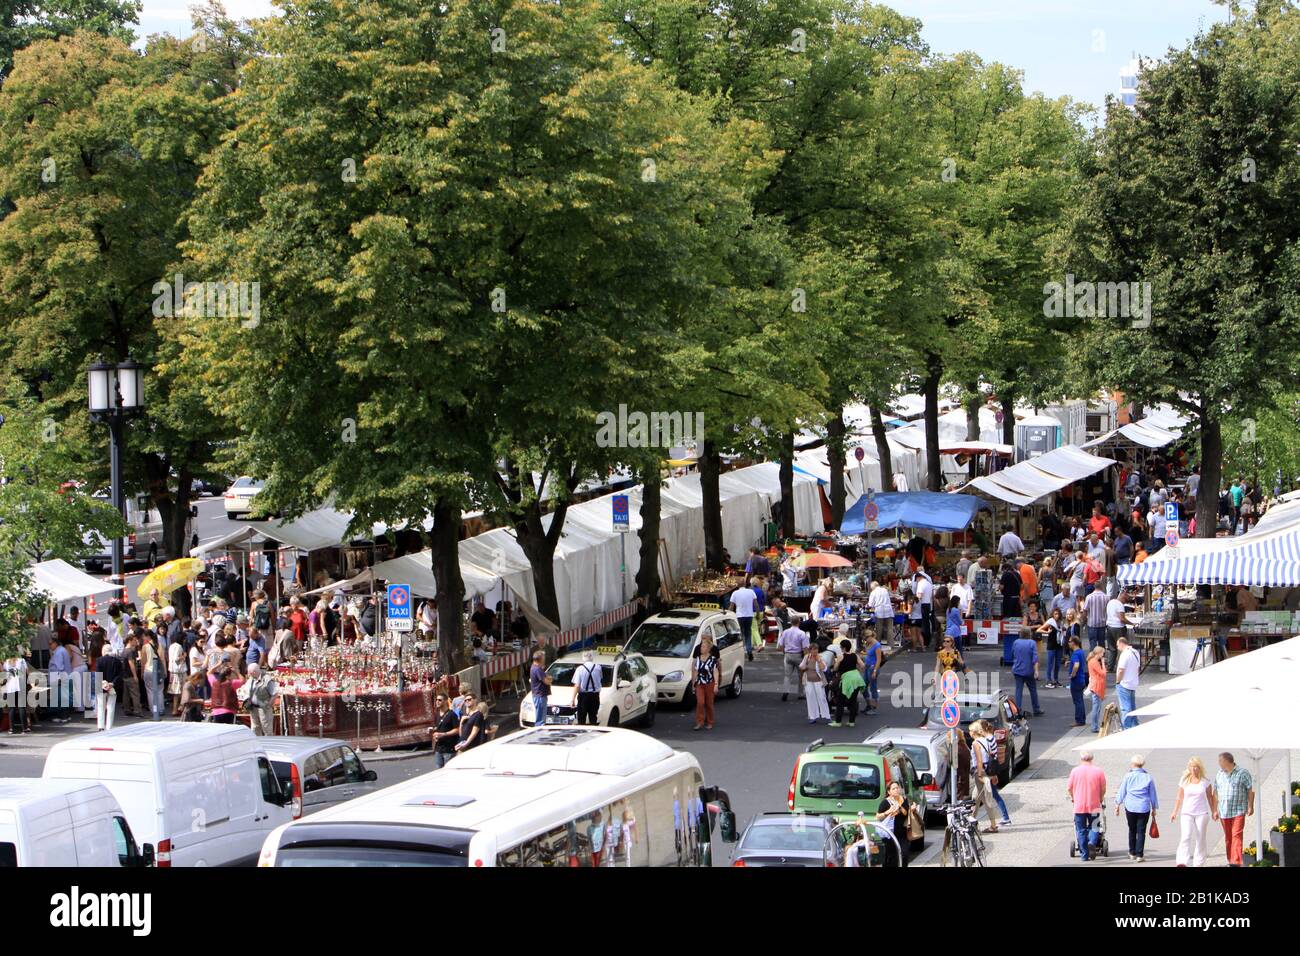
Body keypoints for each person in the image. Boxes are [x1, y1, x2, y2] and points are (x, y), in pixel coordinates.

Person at [1172, 757, 1217, 867]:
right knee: (1185, 836)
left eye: (1195, 766)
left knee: (1200, 838)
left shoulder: (1205, 782)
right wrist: (1174, 812)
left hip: (1201, 813)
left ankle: (1198, 862)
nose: (1193, 769)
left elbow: (1210, 798)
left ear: (1199, 768)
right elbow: (1179, 797)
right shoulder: (1184, 780)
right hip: (1186, 813)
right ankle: (1182, 861)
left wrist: (1214, 811)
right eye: (1191, 766)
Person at [1115, 754, 1159, 861]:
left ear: (1133, 764)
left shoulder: (1128, 776)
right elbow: (1153, 794)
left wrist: (1117, 804)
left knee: (1132, 829)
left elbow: (1122, 791)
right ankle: (1140, 855)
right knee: (1141, 831)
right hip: (1144, 807)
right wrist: (1154, 808)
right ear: (1142, 764)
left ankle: (1132, 852)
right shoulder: (1148, 777)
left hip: (1130, 806)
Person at [1213, 752, 1254, 867]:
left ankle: (1236, 862)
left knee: (1236, 835)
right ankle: (1231, 860)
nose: (1219, 763)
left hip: (1238, 810)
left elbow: (1250, 790)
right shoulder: (1219, 774)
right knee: (1228, 838)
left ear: (1226, 761)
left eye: (1220, 761)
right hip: (1224, 812)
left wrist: (1250, 806)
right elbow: (1215, 792)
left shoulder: (1243, 773)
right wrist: (1214, 810)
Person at [1067, 751, 1107, 862]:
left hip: (1079, 806)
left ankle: (1084, 855)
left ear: (1081, 758)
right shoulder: (1099, 771)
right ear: (1092, 758)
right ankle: (1092, 843)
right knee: (1094, 826)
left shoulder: (1075, 771)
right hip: (1094, 805)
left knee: (1081, 830)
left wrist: (1073, 797)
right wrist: (1100, 797)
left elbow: (1069, 788)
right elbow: (1103, 788)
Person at [970, 721, 1009, 828]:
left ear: (974, 732)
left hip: (982, 772)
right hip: (988, 771)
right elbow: (992, 757)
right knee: (976, 798)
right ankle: (971, 820)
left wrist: (979, 774)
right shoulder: (986, 740)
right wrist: (993, 774)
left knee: (987, 798)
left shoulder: (976, 743)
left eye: (970, 730)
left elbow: (979, 760)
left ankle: (995, 824)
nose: (968, 732)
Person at [875, 779, 914, 867]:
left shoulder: (904, 800)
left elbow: (905, 813)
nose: (896, 790)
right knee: (891, 857)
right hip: (889, 834)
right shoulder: (885, 802)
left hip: (902, 834)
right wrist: (888, 812)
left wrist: (906, 808)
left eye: (897, 788)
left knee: (904, 855)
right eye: (893, 789)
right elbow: (878, 817)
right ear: (889, 792)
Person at [829, 639, 866, 728]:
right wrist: (857, 668)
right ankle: (851, 722)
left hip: (847, 679)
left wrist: (836, 666)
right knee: (853, 701)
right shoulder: (855, 655)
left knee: (840, 700)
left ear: (844, 648)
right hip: (856, 678)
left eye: (841, 647)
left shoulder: (841, 656)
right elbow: (862, 665)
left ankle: (838, 722)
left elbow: (835, 668)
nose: (840, 649)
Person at [691, 632, 721, 731]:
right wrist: (693, 683)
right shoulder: (698, 658)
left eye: (703, 647)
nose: (701, 648)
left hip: (709, 683)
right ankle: (699, 721)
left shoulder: (712, 659)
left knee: (709, 703)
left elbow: (715, 670)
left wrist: (716, 684)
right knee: (700, 702)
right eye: (701, 647)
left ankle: (710, 721)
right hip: (700, 683)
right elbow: (695, 670)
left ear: (708, 649)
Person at [1010, 627, 1043, 716]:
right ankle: (1036, 709)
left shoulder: (1016, 642)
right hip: (1029, 671)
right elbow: (1035, 659)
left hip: (1017, 669)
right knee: (1033, 690)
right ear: (1029, 634)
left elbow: (1012, 654)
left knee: (1018, 690)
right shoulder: (1032, 643)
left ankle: (1018, 710)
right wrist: (1036, 671)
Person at [778, 617, 809, 702]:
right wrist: (806, 659)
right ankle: (800, 693)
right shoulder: (802, 633)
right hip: (798, 655)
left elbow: (781, 645)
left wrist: (784, 653)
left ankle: (786, 691)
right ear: (799, 622)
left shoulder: (785, 632)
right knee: (801, 676)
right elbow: (805, 648)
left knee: (787, 675)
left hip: (788, 655)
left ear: (790, 622)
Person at [799, 642, 830, 724]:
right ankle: (813, 716)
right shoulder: (807, 657)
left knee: (822, 698)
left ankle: (827, 716)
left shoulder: (820, 657)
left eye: (816, 650)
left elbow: (824, 669)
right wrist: (804, 667)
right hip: (808, 681)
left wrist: (819, 660)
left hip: (818, 681)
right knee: (810, 698)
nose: (815, 652)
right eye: (813, 650)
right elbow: (801, 666)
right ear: (810, 650)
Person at [728, 579, 759, 661]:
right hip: (749, 615)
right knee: (748, 633)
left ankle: (740, 651)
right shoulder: (751, 592)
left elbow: (731, 606)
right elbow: (756, 604)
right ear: (745, 584)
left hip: (739, 616)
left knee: (740, 634)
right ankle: (749, 650)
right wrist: (758, 614)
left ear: (737, 585)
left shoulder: (735, 593)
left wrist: (728, 615)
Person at [1115, 635, 1141, 729]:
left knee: (1125, 707)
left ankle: (1127, 727)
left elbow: (1121, 669)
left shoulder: (1125, 654)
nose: (1118, 648)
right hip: (1133, 683)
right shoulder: (1135, 652)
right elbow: (1137, 668)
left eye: (1118, 646)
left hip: (1124, 683)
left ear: (1122, 644)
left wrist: (1118, 681)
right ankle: (1135, 725)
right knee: (1132, 706)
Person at [243, 664, 277, 736]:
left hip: (264, 709)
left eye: (250, 673)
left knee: (267, 729)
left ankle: (268, 745)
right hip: (253, 708)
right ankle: (257, 744)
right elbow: (246, 689)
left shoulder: (267, 679)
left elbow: (274, 694)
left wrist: (268, 705)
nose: (249, 675)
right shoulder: (251, 679)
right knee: (255, 728)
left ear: (254, 672)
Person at [573, 650, 603, 726]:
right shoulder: (598, 667)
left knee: (581, 718)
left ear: (583, 658)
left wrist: (572, 699)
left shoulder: (580, 669)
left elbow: (577, 685)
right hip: (595, 695)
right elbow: (599, 679)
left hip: (583, 696)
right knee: (593, 717)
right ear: (592, 657)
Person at [1064, 635, 1088, 727]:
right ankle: (1082, 719)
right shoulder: (1081, 652)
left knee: (1077, 701)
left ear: (1074, 643)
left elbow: (1077, 665)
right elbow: (1081, 662)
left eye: (1070, 641)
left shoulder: (1075, 654)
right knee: (1080, 700)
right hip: (1082, 679)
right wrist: (1070, 662)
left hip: (1076, 680)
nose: (1068, 643)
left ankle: (1079, 720)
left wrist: (1072, 674)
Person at [1037, 607, 1065, 688]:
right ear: (1052, 614)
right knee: (1050, 663)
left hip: (1059, 645)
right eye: (1055, 614)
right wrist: (1047, 632)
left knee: (1057, 664)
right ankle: (1048, 680)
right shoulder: (1050, 622)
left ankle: (1056, 680)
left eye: (1058, 614)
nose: (1056, 615)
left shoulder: (1061, 622)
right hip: (1051, 645)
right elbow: (1039, 630)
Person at [3, 654, 30, 735]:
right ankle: (24, 729)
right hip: (20, 685)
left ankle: (12, 729)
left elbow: (4, 672)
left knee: (11, 708)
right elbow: (26, 672)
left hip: (10, 686)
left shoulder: (7, 662)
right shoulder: (21, 660)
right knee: (22, 707)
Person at [430, 693, 459, 768]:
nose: (437, 701)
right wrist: (433, 730)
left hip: (449, 749)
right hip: (439, 748)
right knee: (438, 772)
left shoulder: (452, 715)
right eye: (436, 700)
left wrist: (444, 734)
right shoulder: (436, 714)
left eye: (440, 700)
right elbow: (438, 727)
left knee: (448, 771)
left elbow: (457, 729)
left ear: (446, 701)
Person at [1085, 644, 1107, 733]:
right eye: (1103, 653)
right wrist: (1103, 663)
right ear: (1099, 653)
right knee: (1096, 707)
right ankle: (1094, 726)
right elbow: (1103, 673)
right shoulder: (1095, 662)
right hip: (1097, 685)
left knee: (1096, 707)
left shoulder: (1092, 661)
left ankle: (1095, 725)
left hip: (1096, 685)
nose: (1103, 655)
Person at [1105, 593, 1128, 671]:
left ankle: (1110, 667)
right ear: (1122, 597)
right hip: (1118, 628)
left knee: (1112, 648)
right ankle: (1121, 667)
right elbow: (1122, 619)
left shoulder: (1110, 602)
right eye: (1126, 600)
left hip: (1109, 626)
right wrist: (1131, 623)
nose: (1125, 602)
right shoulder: (1120, 605)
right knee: (1122, 648)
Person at [528, 650, 550, 728]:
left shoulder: (534, 667)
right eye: (543, 658)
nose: (544, 659)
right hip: (540, 695)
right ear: (540, 659)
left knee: (540, 715)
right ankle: (539, 730)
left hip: (538, 694)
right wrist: (550, 679)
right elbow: (546, 681)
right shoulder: (537, 669)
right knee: (541, 718)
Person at [167, 633, 187, 716]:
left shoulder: (171, 646)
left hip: (172, 671)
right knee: (179, 691)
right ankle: (177, 709)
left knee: (176, 692)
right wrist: (183, 656)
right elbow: (176, 658)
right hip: (179, 672)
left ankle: (177, 708)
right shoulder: (179, 646)